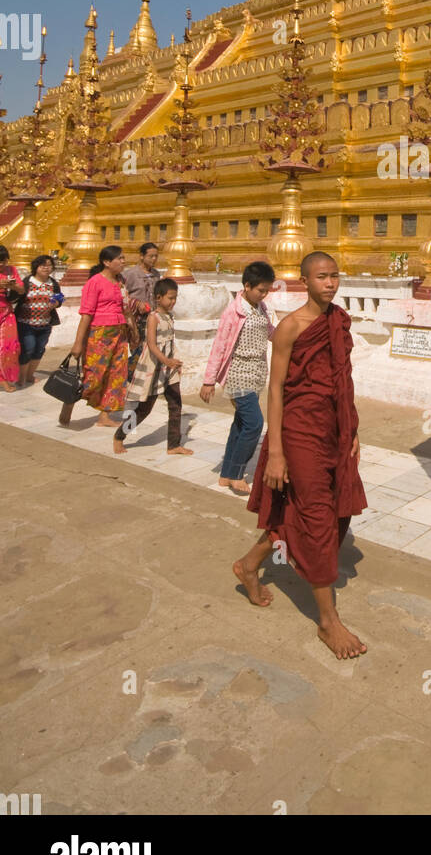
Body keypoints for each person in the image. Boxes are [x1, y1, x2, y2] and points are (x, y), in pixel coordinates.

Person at [234, 251, 368, 660]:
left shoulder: (339, 321)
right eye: (322, 277)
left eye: (335, 276)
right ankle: (327, 621)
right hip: (299, 433)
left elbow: (342, 377)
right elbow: (275, 390)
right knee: (315, 518)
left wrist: (353, 430)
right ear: (304, 282)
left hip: (334, 431)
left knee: (323, 509)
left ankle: (248, 565)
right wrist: (275, 453)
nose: (330, 283)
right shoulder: (290, 328)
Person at [199, 261, 276, 495]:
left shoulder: (260, 308)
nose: (264, 294)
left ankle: (226, 474)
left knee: (241, 424)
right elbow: (220, 346)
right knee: (254, 424)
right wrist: (208, 380)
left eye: (267, 290)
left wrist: (291, 337)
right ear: (247, 286)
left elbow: (269, 331)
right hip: (238, 373)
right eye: (260, 290)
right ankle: (236, 473)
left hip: (256, 373)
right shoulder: (233, 312)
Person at [60, 246, 135, 435]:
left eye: (123, 258)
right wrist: (78, 343)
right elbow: (86, 314)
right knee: (94, 374)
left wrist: (133, 330)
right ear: (107, 262)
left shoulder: (121, 282)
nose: (123, 262)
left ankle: (105, 415)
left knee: (116, 374)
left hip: (120, 332)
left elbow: (125, 308)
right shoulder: (95, 282)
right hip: (99, 333)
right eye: (119, 258)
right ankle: (70, 400)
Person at [115, 277, 193, 456]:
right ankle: (120, 436)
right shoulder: (153, 318)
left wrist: (173, 362)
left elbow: (169, 342)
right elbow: (151, 344)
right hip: (154, 368)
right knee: (144, 409)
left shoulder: (170, 317)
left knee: (175, 405)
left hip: (169, 368)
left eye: (175, 298)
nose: (173, 302)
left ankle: (173, 445)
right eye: (170, 298)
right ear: (158, 298)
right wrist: (165, 360)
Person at [14, 254, 65, 386]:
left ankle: (30, 375)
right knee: (28, 349)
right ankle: (21, 376)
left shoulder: (53, 283)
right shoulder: (27, 282)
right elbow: (15, 298)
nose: (46, 268)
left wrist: (56, 304)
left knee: (39, 349)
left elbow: (59, 298)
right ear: (36, 267)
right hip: (26, 323)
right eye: (43, 265)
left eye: (49, 266)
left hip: (45, 323)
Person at [123, 242, 161, 378]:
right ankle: (130, 377)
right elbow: (122, 295)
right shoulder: (130, 274)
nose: (154, 259)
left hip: (152, 318)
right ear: (141, 256)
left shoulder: (156, 274)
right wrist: (136, 303)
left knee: (150, 349)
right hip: (135, 320)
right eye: (151, 256)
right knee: (136, 348)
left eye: (156, 256)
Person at [0, 246, 24, 392]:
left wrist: (13, 285)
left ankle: (4, 379)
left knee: (9, 348)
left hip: (6, 313)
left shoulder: (11, 270)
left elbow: (22, 290)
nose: (1, 264)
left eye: (3, 261)